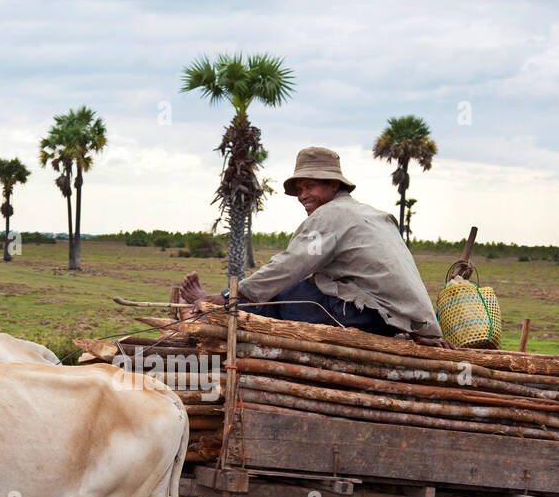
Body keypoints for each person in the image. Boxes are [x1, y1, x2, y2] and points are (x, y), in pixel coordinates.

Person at [179, 146, 451, 348]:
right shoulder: (373, 215)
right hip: (388, 316)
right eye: (299, 190)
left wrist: (229, 295)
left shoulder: (332, 214)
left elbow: (290, 265)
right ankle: (214, 312)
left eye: (309, 186)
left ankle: (211, 314)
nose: (302, 196)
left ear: (333, 184)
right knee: (299, 287)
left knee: (282, 294)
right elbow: (403, 282)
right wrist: (423, 328)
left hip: (364, 315)